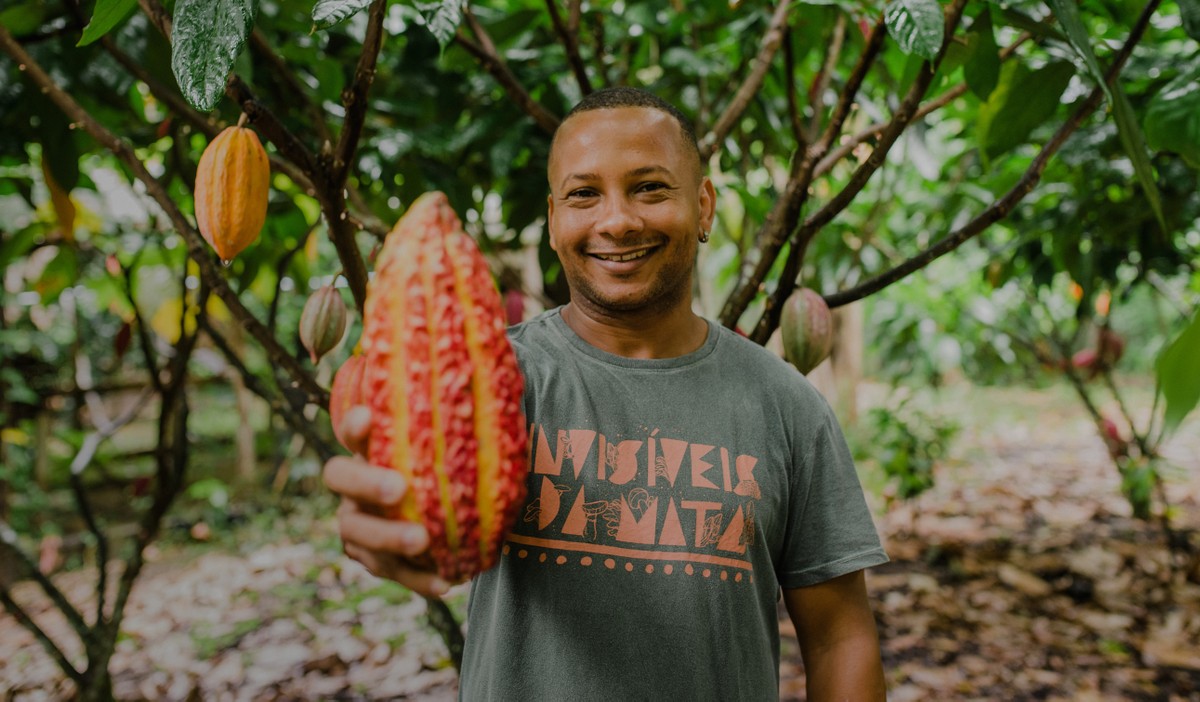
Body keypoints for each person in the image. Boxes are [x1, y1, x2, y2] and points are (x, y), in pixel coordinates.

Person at [323, 87, 889, 700]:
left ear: (703, 207)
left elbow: (839, 638)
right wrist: (395, 528)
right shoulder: (490, 380)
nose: (616, 221)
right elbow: (420, 507)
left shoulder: (787, 405)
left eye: (650, 188)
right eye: (583, 194)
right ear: (553, 220)